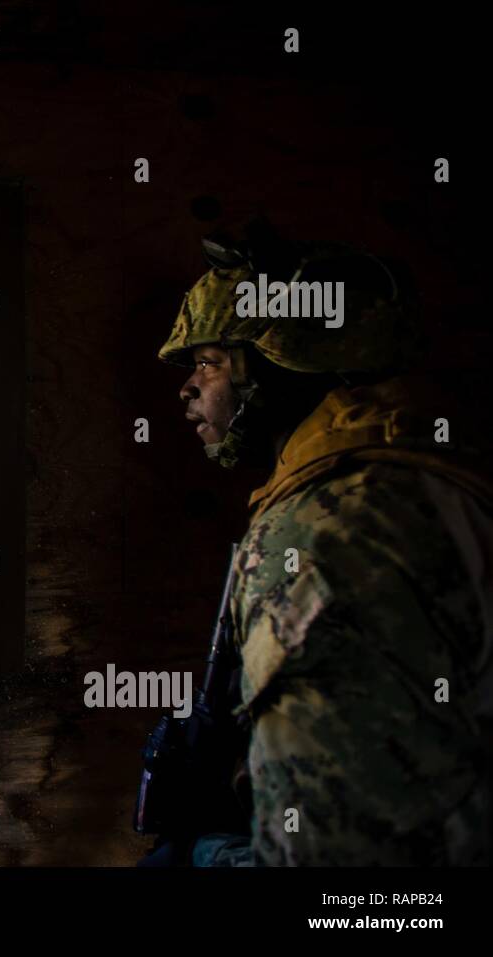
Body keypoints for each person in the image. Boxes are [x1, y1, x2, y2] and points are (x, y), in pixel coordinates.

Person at [151, 222, 493, 865]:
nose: (188, 387)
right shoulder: (426, 470)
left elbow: (336, 865)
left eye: (210, 362)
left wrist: (208, 859)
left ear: (282, 365)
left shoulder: (325, 529)